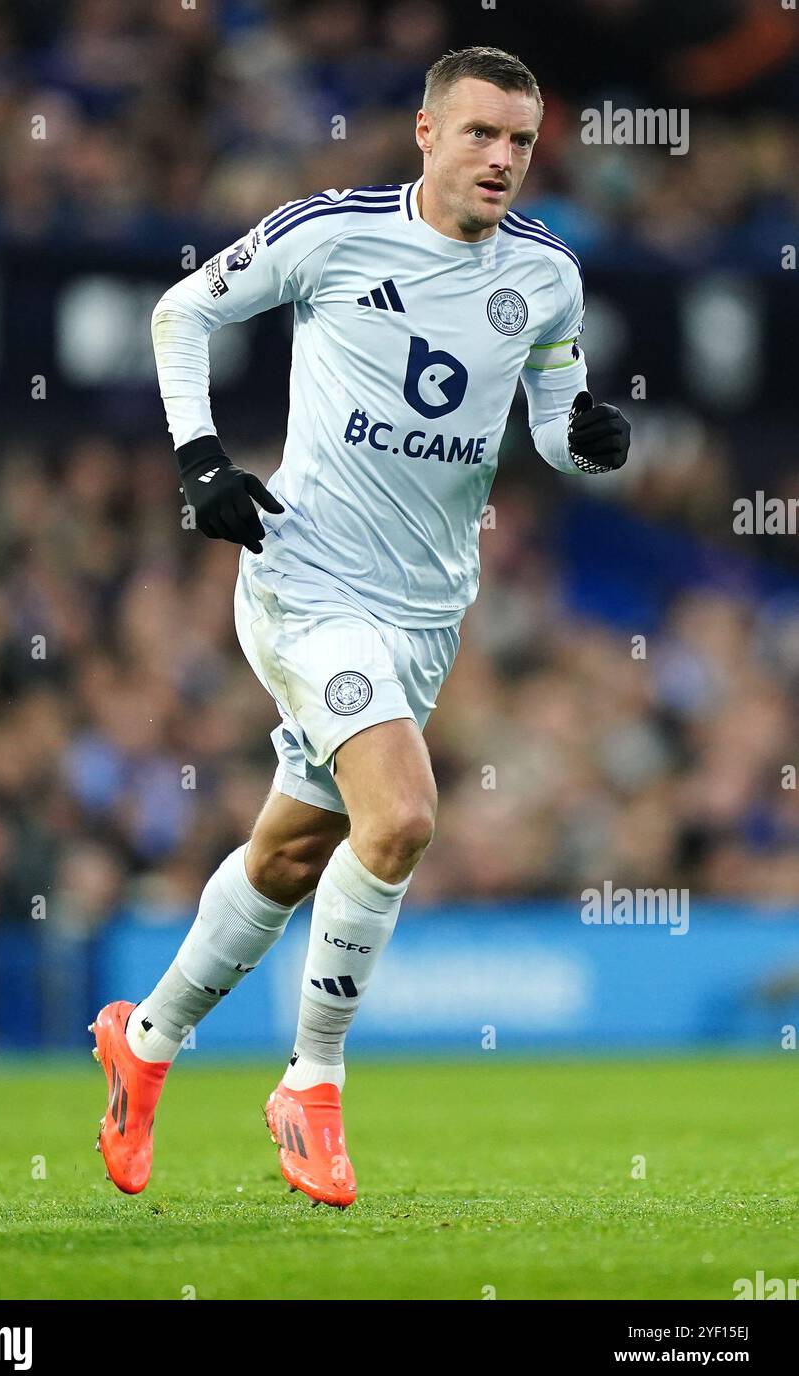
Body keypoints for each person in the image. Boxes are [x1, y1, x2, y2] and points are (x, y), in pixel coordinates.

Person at [89, 45, 631, 1207]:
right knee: (404, 817)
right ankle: (313, 1081)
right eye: (480, 133)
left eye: (521, 141)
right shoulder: (332, 233)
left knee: (291, 856)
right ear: (426, 133)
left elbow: (551, 426)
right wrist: (200, 461)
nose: (502, 157)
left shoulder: (547, 276)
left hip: (426, 611)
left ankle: (146, 1037)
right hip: (305, 577)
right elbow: (183, 311)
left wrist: (587, 441)